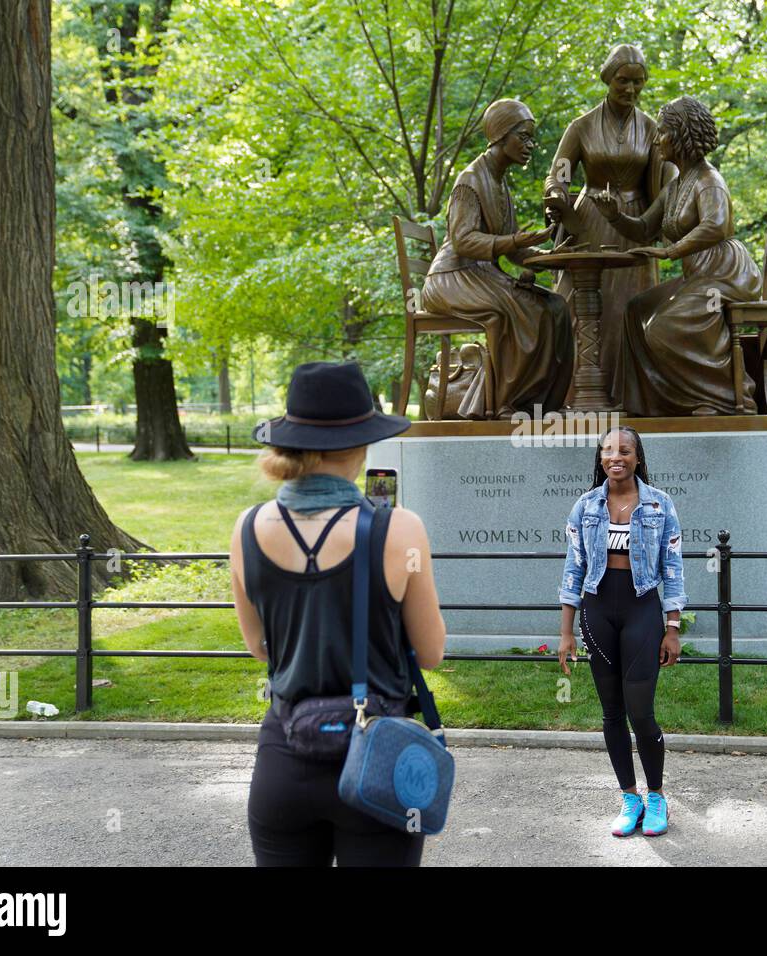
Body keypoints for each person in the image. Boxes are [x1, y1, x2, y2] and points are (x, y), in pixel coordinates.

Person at [231, 361, 446, 866]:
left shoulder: (247, 527)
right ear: (360, 445)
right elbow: (432, 652)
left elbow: (258, 646)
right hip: (377, 757)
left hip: (283, 760)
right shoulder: (400, 528)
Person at [595, 95, 764, 416]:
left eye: (662, 132)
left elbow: (716, 226)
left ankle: (724, 397)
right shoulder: (675, 185)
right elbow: (645, 227)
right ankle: (645, 403)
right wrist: (615, 216)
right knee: (635, 310)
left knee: (663, 328)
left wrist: (670, 251)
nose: (656, 139)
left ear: (682, 135)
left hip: (723, 276)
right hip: (696, 276)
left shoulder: (708, 180)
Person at [557, 426, 686, 837]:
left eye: (625, 451)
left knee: (641, 712)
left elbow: (674, 571)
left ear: (637, 457)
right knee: (611, 712)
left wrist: (672, 628)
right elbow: (573, 569)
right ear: (600, 458)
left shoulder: (660, 505)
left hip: (642, 611)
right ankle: (629, 798)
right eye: (608, 451)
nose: (616, 457)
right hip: (598, 612)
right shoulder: (585, 505)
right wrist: (566, 632)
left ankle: (656, 796)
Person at [542, 43, 677, 405]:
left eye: (638, 82)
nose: (630, 89)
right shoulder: (581, 126)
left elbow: (667, 181)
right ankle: (575, 395)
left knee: (627, 308)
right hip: (589, 222)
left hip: (634, 223)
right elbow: (558, 175)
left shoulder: (651, 128)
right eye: (623, 81)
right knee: (573, 305)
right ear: (607, 78)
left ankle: (626, 396)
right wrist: (556, 195)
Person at [422, 98, 572, 420]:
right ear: (500, 135)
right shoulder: (470, 180)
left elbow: (515, 250)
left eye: (532, 137)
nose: (531, 145)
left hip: (480, 274)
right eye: (524, 136)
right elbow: (463, 240)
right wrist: (515, 240)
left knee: (556, 307)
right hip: (451, 278)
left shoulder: (501, 183)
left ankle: (540, 403)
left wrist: (553, 256)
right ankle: (506, 403)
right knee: (519, 310)